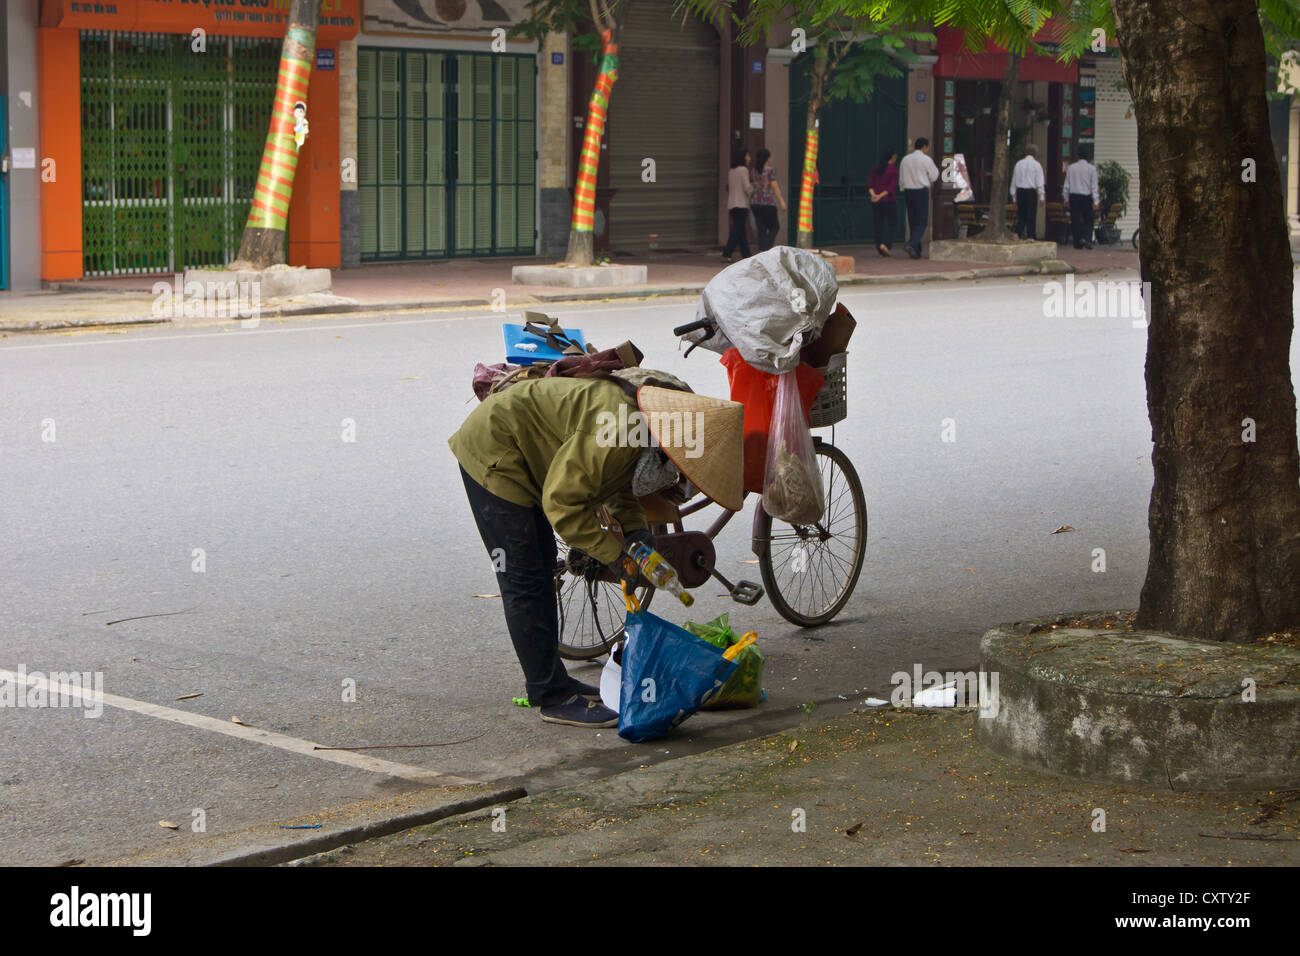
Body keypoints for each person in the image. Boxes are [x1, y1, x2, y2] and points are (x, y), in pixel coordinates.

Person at [449, 373, 744, 728]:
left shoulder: (642, 430)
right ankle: (550, 696)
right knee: (524, 578)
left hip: (522, 449)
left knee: (539, 571)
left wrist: (636, 533)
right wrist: (616, 557)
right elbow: (562, 505)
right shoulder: (620, 430)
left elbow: (615, 482)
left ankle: (554, 682)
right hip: (494, 450)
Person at [899, 138, 939, 259]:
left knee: (913, 221)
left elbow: (901, 177)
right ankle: (911, 244)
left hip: (908, 191)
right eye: (927, 148)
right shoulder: (926, 159)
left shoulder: (905, 159)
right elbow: (934, 176)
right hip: (921, 192)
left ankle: (916, 251)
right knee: (922, 222)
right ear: (924, 147)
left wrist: (903, 188)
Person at [749, 148, 787, 252]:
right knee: (775, 227)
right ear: (767, 158)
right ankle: (767, 248)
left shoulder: (753, 171)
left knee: (761, 229)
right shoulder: (770, 170)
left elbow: (752, 185)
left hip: (755, 202)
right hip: (768, 202)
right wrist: (781, 201)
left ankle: (762, 250)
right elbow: (774, 186)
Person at [1064, 144, 1100, 250]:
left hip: (1074, 196)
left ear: (1077, 156)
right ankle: (1086, 238)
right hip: (1086, 197)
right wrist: (1096, 201)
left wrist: (1066, 199)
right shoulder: (1092, 169)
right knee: (1089, 218)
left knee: (1075, 219)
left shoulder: (1071, 168)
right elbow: (1094, 186)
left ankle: (1077, 243)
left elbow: (1067, 185)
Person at [866, 148, 900, 256]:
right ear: (893, 157)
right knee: (892, 224)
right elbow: (891, 187)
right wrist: (880, 196)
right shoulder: (893, 170)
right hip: (888, 200)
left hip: (876, 201)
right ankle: (886, 244)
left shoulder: (877, 168)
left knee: (878, 224)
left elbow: (870, 183)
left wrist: (874, 195)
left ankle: (879, 246)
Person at [722, 146, 753, 262]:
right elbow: (747, 187)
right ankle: (727, 253)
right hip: (741, 203)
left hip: (732, 203)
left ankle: (747, 255)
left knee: (741, 230)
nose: (749, 158)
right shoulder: (743, 170)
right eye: (748, 156)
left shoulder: (732, 170)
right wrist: (753, 188)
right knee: (737, 229)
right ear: (743, 157)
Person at [1010, 143, 1045, 240]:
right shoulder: (1037, 165)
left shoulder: (1018, 164)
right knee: (1031, 214)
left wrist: (1014, 196)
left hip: (1020, 191)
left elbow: (1014, 181)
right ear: (1035, 154)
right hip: (1031, 192)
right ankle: (1031, 235)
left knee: (1021, 214)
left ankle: (1017, 233)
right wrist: (1041, 196)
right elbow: (1040, 182)